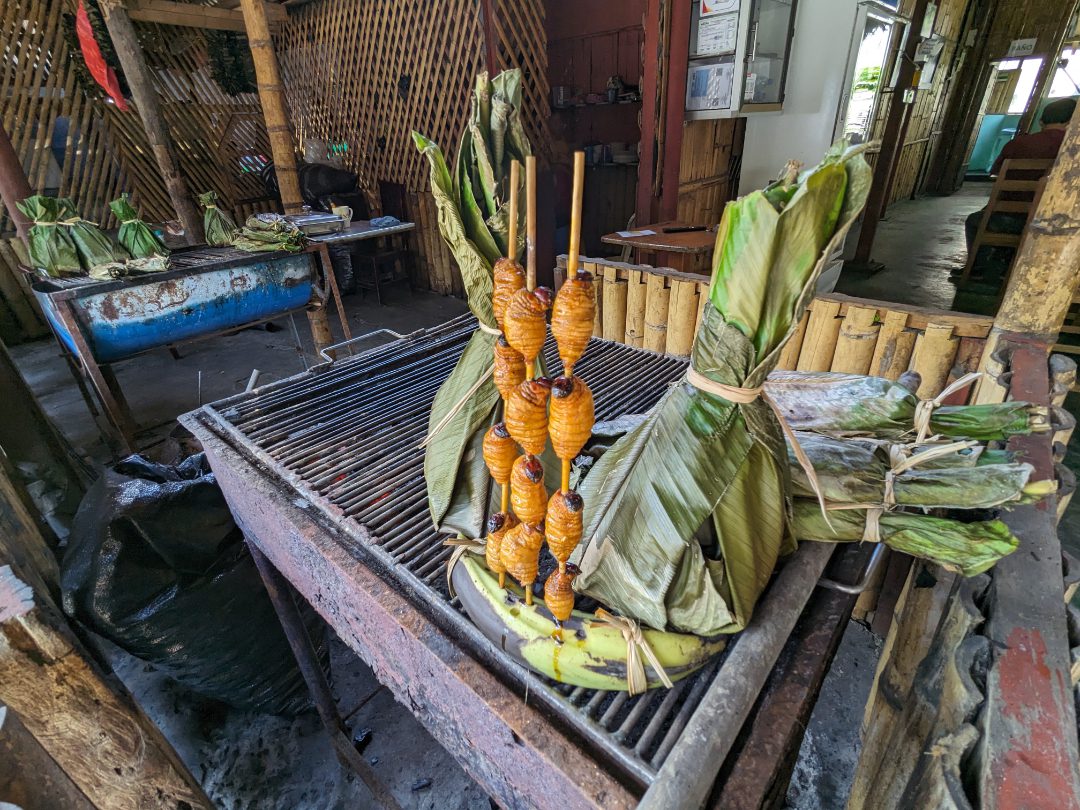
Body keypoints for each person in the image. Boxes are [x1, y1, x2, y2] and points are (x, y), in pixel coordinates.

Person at [963, 97, 1076, 278]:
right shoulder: (1072, 148)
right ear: (1071, 122)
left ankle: (978, 269)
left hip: (1007, 217)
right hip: (1054, 221)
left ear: (1041, 122)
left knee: (976, 220)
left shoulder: (1018, 144)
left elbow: (996, 173)